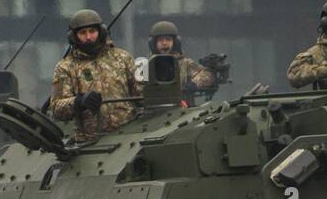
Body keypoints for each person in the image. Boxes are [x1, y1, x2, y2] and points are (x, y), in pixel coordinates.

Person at [49, 8, 139, 142]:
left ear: (101, 32)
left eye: (92, 31)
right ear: (74, 36)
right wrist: (79, 101)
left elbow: (140, 95)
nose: (89, 37)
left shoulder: (123, 58)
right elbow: (56, 107)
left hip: (128, 137)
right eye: (83, 33)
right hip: (90, 143)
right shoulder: (65, 67)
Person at [147, 20, 214, 99]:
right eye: (160, 40)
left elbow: (207, 74)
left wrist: (194, 84)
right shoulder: (146, 66)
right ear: (154, 43)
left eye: (168, 39)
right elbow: (137, 88)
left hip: (181, 106)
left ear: (175, 42)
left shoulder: (185, 63)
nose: (164, 43)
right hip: (153, 106)